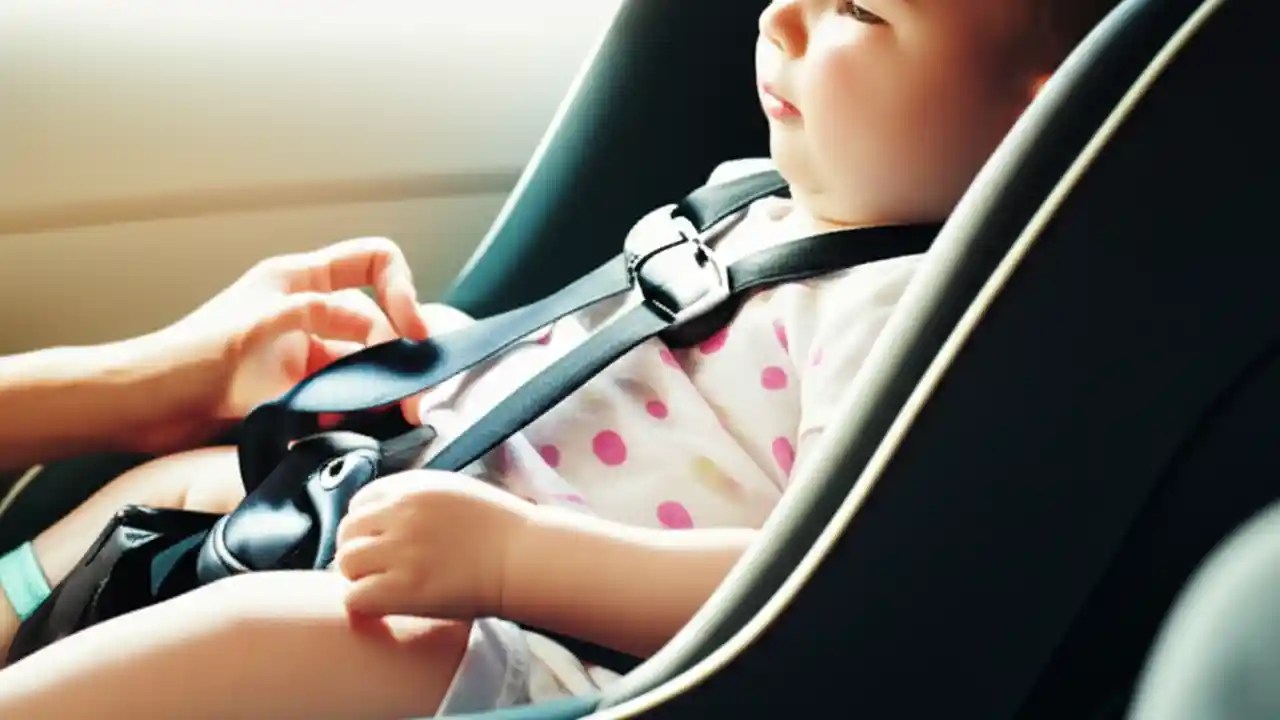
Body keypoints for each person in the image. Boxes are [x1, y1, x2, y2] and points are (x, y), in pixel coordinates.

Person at [0, 1, 1121, 717]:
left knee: (256, 636)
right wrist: (459, 359)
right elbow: (624, 366)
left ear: (1050, 112)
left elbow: (816, 587)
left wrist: (517, 560)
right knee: (169, 483)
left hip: (529, 640)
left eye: (856, 12)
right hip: (421, 504)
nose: (780, 17)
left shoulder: (899, 313)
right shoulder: (756, 196)